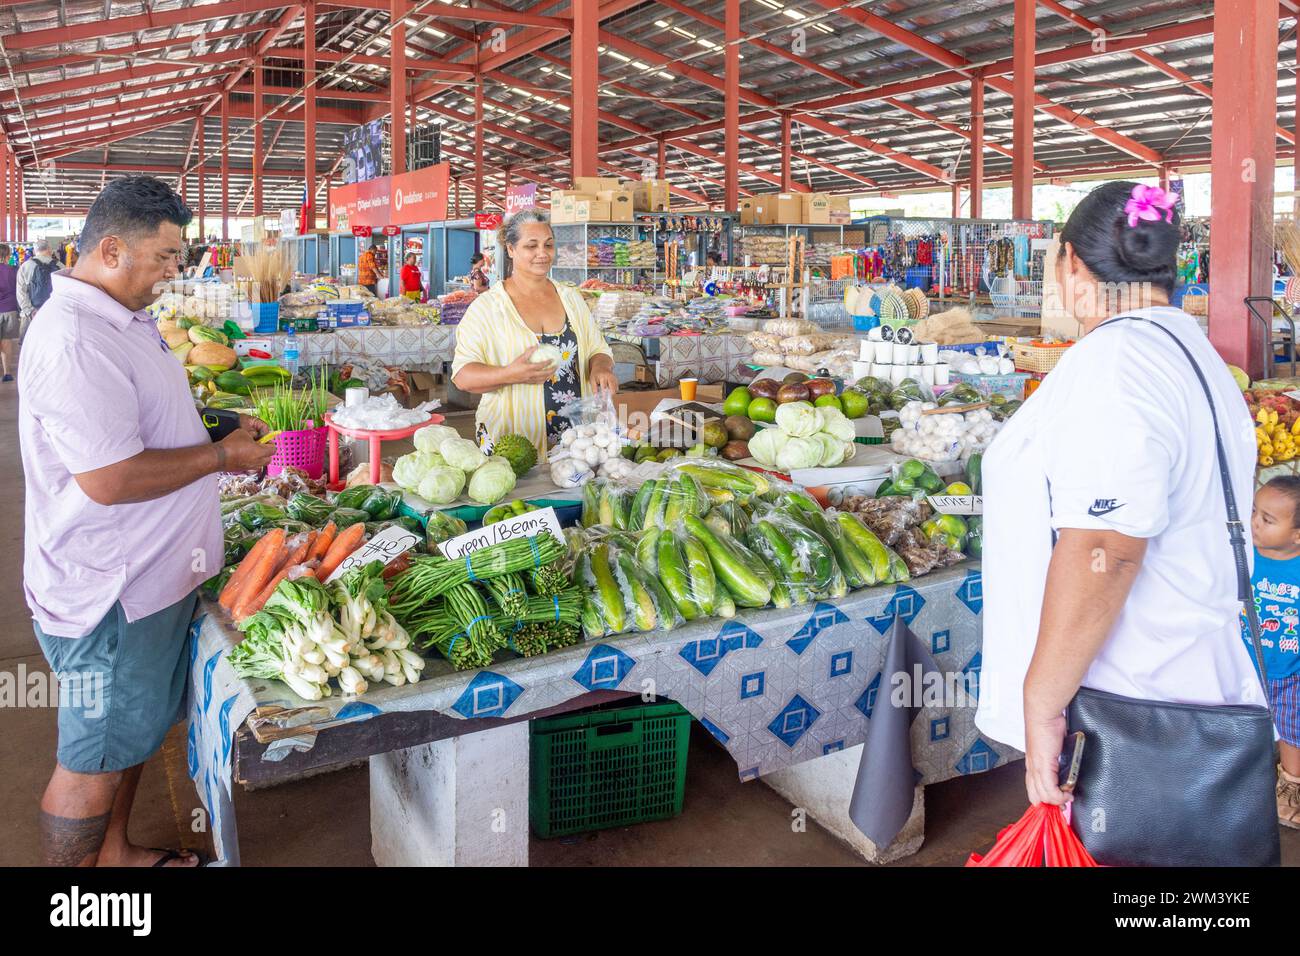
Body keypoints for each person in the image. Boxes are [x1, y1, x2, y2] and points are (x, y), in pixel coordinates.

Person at [974, 182, 1260, 818]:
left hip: (1129, 704)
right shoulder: (1187, 349)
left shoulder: (1116, 360)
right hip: (1177, 683)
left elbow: (1105, 545)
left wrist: (1043, 704)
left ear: (1071, 261)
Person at [19, 176, 275, 867]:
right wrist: (221, 455)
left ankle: (113, 858)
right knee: (92, 757)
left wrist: (214, 426)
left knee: (126, 739)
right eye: (164, 258)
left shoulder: (117, 316)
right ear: (110, 248)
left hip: (147, 584)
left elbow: (136, 425)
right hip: (111, 593)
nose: (174, 274)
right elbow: (111, 478)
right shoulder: (74, 338)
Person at [452, 209, 617, 455]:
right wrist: (510, 374)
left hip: (578, 444)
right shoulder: (487, 308)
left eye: (548, 245)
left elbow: (597, 348)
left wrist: (601, 367)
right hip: (513, 443)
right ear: (510, 249)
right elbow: (463, 376)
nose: (542, 253)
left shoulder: (571, 298)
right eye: (531, 246)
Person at [1245, 476, 1300, 828]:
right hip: (1245, 665)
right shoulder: (1240, 555)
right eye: (1253, 512)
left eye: (1267, 519)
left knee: (1292, 731)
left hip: (1291, 671)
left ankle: (1291, 787)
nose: (1254, 523)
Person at [17, 238, 61, 334]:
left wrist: (30, 311)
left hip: (30, 315)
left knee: (27, 346)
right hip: (54, 313)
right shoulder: (60, 266)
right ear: (50, 249)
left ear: (34, 251)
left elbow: (21, 292)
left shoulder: (25, 266)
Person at [0, 243, 18, 381]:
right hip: (10, 309)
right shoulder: (14, 270)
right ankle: (7, 373)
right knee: (7, 341)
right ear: (8, 255)